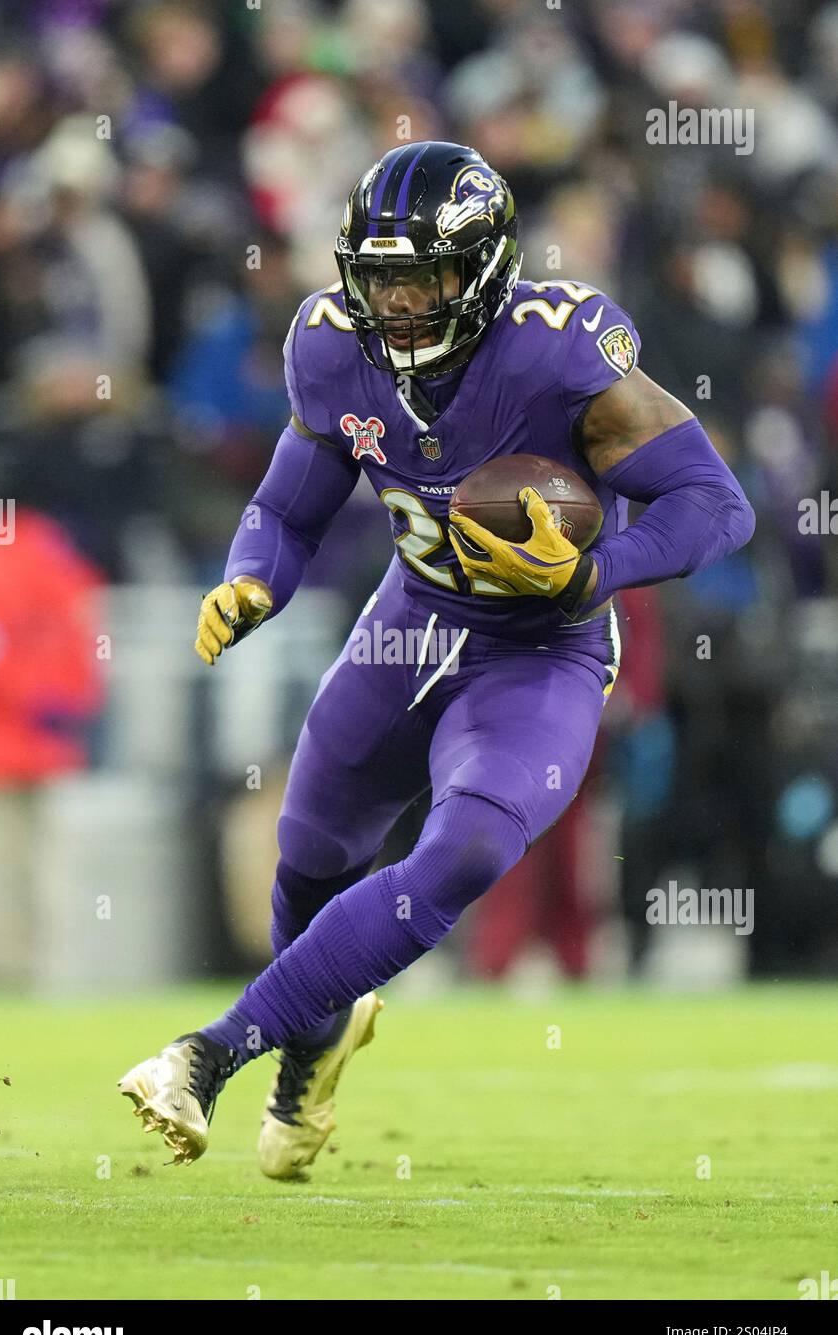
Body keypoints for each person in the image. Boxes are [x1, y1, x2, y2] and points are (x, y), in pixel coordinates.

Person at [119, 141, 755, 1174]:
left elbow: (716, 506)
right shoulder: (332, 347)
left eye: (425, 276)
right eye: (382, 279)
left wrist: (593, 575)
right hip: (405, 623)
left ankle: (208, 1054)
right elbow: (288, 502)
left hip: (539, 649)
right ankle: (302, 1081)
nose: (402, 301)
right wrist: (252, 578)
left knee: (461, 852)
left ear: (487, 269)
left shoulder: (558, 351)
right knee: (308, 861)